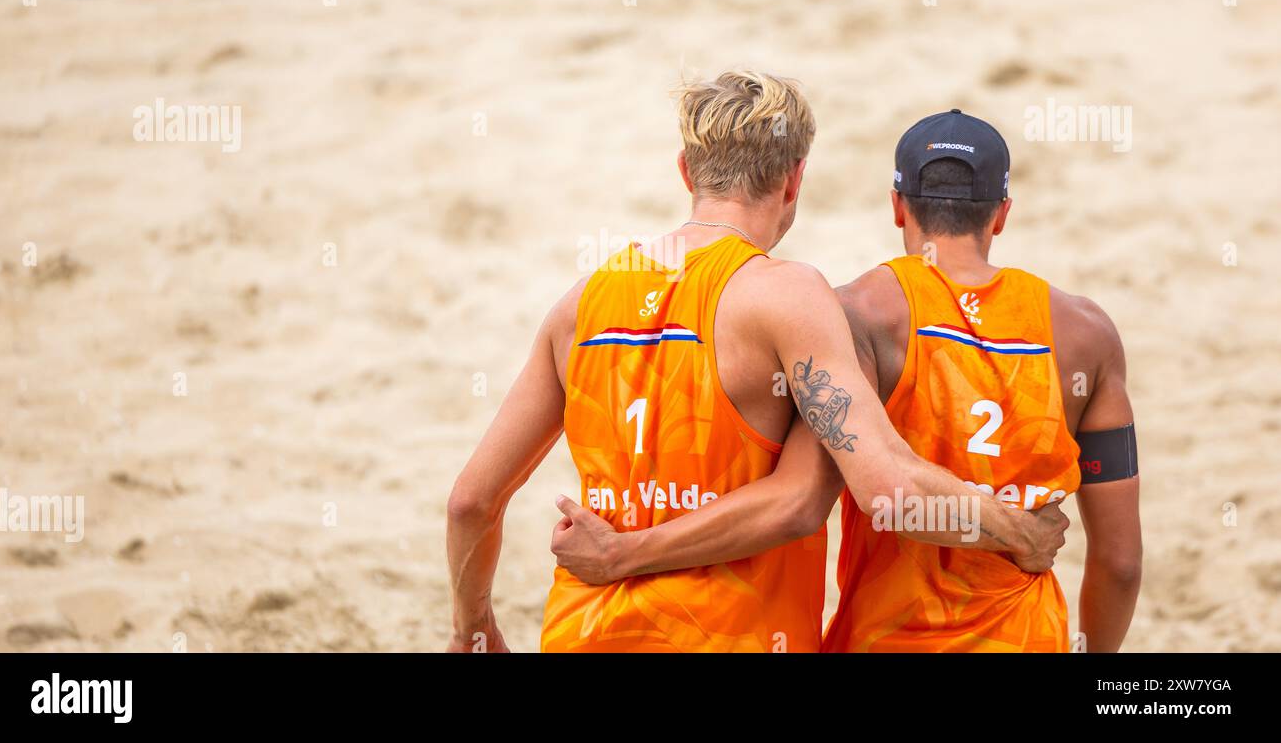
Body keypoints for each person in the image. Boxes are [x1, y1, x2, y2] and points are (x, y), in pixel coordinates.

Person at [447, 79, 1067, 653]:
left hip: (581, 634)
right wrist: (1018, 530)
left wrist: (474, 627)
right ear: (795, 180)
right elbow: (874, 491)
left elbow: (472, 502)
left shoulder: (579, 305)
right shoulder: (787, 297)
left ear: (687, 171)